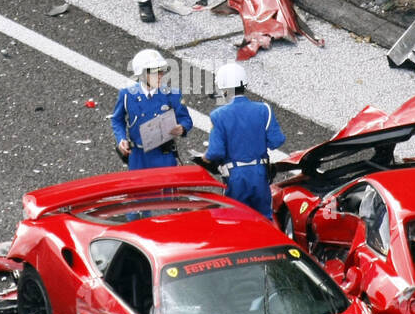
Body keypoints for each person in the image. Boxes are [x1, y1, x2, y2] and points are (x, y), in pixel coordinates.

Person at [203, 63, 285, 219]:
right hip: (260, 174)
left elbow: (216, 152)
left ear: (224, 89)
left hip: (235, 177)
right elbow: (277, 141)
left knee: (234, 219)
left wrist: (204, 158)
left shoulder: (218, 115)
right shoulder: (264, 109)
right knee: (264, 220)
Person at [111, 49, 192, 169]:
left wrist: (182, 128)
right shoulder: (127, 95)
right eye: (154, 72)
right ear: (142, 74)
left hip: (164, 156)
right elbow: (117, 120)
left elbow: (186, 119)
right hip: (138, 157)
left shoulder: (172, 94)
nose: (160, 75)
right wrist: (121, 139)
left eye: (161, 71)